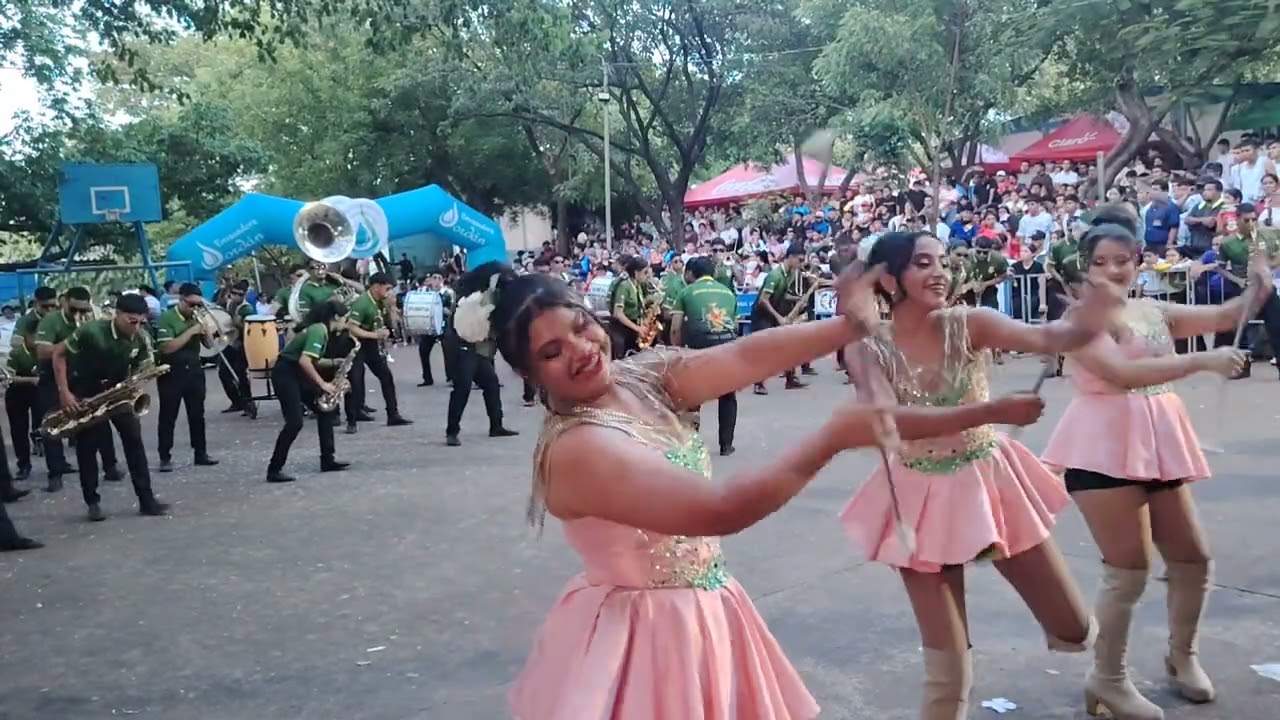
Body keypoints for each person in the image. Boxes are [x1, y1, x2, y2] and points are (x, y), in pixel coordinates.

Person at [490, 260, 1047, 719]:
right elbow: (720, 510)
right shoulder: (579, 448)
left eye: (580, 326)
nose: (581, 349)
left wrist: (848, 324)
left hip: (704, 612)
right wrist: (831, 437)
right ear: (529, 375)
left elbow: (742, 356)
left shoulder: (636, 379)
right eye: (551, 352)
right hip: (647, 639)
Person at [841, 230, 1124, 720]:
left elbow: (1051, 338)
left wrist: (1093, 312)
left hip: (989, 484)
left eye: (943, 262)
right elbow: (889, 420)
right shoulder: (867, 350)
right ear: (889, 279)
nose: (940, 273)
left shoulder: (970, 322)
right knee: (947, 666)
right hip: (915, 492)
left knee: (1074, 626)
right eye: (923, 263)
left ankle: (1107, 678)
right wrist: (991, 410)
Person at [1040, 221, 1269, 719]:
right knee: (1129, 572)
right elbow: (1122, 374)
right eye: (1099, 262)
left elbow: (1228, 313)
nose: (1112, 270)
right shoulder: (1080, 319)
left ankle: (1181, 657)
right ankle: (1108, 678)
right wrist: (1202, 362)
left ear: (1139, 260)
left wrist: (1260, 278)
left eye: (1122, 259)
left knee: (1192, 558)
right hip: (1102, 450)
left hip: (1160, 444)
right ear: (1084, 266)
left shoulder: (1152, 309)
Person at [52, 294, 170, 521]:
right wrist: (65, 392)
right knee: (88, 448)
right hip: (87, 391)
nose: (136, 327)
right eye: (131, 321)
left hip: (119, 394)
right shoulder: (91, 331)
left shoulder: (142, 338)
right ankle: (92, 502)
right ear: (117, 314)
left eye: (140, 322)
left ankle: (147, 500)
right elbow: (58, 353)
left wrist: (136, 382)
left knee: (135, 443)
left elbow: (143, 367)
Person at [266, 299, 352, 483]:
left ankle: (327, 459)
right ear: (336, 317)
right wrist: (323, 384)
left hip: (293, 371)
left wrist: (336, 362)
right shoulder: (319, 330)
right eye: (345, 319)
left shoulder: (320, 330)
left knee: (325, 410)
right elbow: (304, 362)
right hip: (286, 373)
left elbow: (311, 359)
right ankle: (274, 468)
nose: (346, 323)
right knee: (294, 422)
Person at [669, 256, 741, 456]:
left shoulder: (686, 292)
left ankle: (693, 443)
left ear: (691, 274)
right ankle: (726, 445)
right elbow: (735, 324)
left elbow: (675, 328)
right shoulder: (727, 292)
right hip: (727, 344)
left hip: (699, 344)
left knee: (693, 395)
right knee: (727, 395)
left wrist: (677, 352)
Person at [34, 288, 102, 492]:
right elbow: (42, 351)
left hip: (81, 375)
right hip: (52, 376)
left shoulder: (93, 318)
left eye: (83, 309)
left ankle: (110, 465)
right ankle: (55, 473)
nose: (77, 314)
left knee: (97, 420)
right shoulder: (52, 320)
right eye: (73, 309)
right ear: (63, 302)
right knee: (52, 423)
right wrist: (73, 341)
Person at [445, 262, 519, 447]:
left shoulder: (481, 296)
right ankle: (452, 432)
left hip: (476, 350)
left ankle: (496, 426)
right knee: (462, 389)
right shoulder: (474, 298)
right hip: (463, 348)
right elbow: (469, 325)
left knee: (491, 385)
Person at [154, 283, 220, 472]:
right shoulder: (167, 318)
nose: (195, 309)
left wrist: (206, 332)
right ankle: (164, 456)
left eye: (198, 305)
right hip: (172, 372)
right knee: (168, 416)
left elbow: (209, 346)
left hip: (194, 371)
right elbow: (167, 348)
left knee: (197, 414)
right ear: (181, 300)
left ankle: (201, 452)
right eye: (191, 305)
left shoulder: (197, 318)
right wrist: (191, 331)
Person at [344, 272, 412, 434]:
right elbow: (351, 328)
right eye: (387, 288)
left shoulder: (381, 302)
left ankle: (393, 414)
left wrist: (391, 309)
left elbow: (391, 325)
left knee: (386, 376)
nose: (390, 292)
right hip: (355, 344)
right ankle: (352, 420)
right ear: (376, 287)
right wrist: (375, 335)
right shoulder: (362, 303)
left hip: (371, 344)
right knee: (355, 380)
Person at [750, 242, 809, 393]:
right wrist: (779, 318)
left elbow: (781, 294)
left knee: (788, 344)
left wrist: (798, 300)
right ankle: (758, 383)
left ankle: (790, 378)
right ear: (790, 257)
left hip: (774, 312)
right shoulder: (775, 275)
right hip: (762, 315)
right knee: (764, 349)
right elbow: (764, 299)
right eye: (800, 260)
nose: (801, 264)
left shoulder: (789, 274)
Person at [6, 327, 43, 482]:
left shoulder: (42, 352)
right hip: (17, 393)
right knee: (19, 430)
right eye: (35, 335)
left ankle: (56, 464)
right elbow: (9, 378)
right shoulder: (17, 353)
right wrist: (30, 380)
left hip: (36, 392)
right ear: (27, 336)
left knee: (42, 425)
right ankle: (24, 465)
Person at [217, 280, 258, 417]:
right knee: (224, 373)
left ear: (244, 295)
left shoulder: (247, 308)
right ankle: (237, 401)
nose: (235, 296)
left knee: (240, 373)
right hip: (229, 343)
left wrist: (239, 324)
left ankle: (247, 402)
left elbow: (250, 329)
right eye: (233, 293)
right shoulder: (229, 304)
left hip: (242, 344)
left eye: (239, 294)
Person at [608, 256, 651, 358]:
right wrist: (637, 328)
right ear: (636, 273)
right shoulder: (624, 286)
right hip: (624, 329)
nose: (647, 276)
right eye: (645, 272)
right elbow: (618, 313)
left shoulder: (638, 286)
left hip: (635, 326)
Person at [416, 270, 454, 387]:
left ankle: (451, 378)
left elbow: (451, 311)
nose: (436, 280)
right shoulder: (423, 292)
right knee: (423, 350)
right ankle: (427, 378)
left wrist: (440, 309)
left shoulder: (448, 293)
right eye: (434, 278)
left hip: (443, 325)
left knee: (449, 352)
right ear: (430, 280)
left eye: (439, 278)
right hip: (429, 326)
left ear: (442, 280)